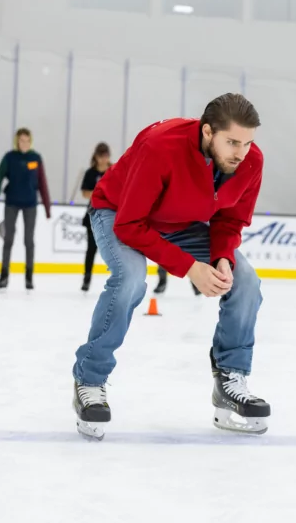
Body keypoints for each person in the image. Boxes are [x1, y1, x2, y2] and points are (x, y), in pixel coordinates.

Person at [71, 93, 268, 440]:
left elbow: (230, 221)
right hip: (119, 211)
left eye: (248, 142)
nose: (242, 152)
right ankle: (90, 379)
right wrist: (191, 268)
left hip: (178, 222)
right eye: (232, 142)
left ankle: (230, 378)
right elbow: (130, 226)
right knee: (131, 279)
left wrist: (222, 256)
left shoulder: (250, 161)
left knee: (245, 279)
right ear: (208, 132)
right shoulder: (160, 146)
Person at [0, 128, 52, 290]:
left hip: (30, 204)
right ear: (17, 142)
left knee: (28, 241)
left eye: (26, 140)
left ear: (30, 142)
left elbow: (42, 183)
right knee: (8, 239)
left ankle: (29, 277)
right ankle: (4, 276)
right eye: (21, 141)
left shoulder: (36, 158)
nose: (24, 143)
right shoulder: (10, 158)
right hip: (12, 203)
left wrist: (47, 206)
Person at [80, 142, 111, 292]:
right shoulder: (90, 173)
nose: (103, 159)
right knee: (91, 249)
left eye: (106, 156)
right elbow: (85, 193)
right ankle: (87, 278)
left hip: (111, 217)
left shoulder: (114, 171)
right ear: (96, 157)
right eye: (101, 156)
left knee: (114, 250)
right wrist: (99, 194)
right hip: (93, 215)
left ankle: (116, 279)